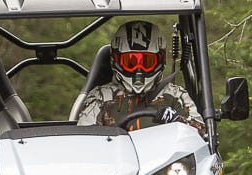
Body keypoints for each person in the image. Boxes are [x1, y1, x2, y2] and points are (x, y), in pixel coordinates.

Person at [75, 20, 204, 132]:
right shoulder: (101, 97)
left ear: (160, 61)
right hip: (114, 153)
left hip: (165, 153)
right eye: (130, 62)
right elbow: (84, 139)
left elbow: (200, 135)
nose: (138, 70)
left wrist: (178, 121)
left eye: (147, 62)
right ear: (116, 61)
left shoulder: (175, 95)